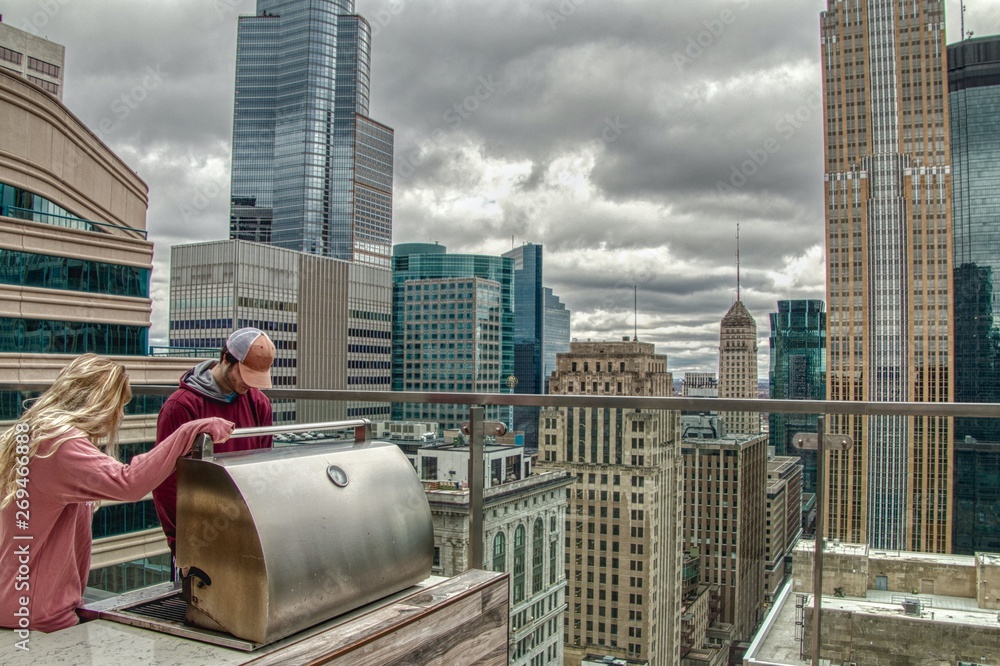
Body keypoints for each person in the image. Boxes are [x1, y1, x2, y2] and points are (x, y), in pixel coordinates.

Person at [0, 354, 234, 633]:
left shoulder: (32, 435)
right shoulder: (60, 445)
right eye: (119, 406)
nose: (121, 415)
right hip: (36, 613)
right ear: (99, 401)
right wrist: (191, 430)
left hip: (15, 597)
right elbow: (130, 482)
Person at [152, 327, 275, 554]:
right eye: (245, 375)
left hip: (247, 530)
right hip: (198, 533)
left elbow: (263, 465)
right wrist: (183, 542)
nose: (249, 385)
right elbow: (165, 483)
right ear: (226, 359)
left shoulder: (258, 403)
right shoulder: (181, 406)